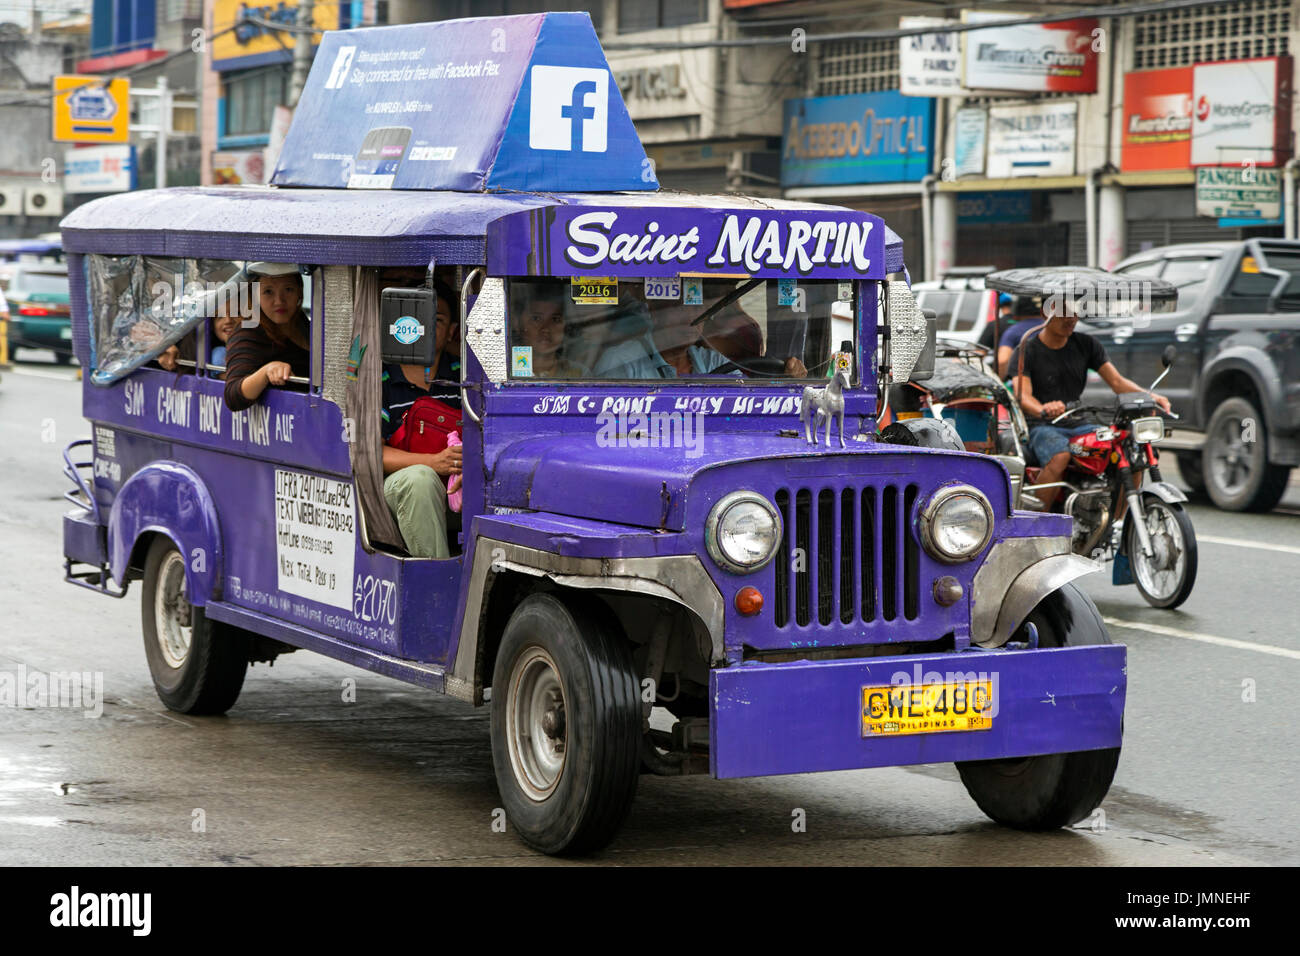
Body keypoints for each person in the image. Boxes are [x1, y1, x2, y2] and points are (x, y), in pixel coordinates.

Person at [1010, 301, 1170, 507]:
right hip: (1039, 426)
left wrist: (1150, 397)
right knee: (1060, 455)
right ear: (1045, 313)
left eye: (1075, 311)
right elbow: (1023, 396)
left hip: (1079, 424)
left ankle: (1118, 524)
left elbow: (1117, 382)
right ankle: (1036, 524)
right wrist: (1042, 410)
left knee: (1128, 449)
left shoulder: (1086, 344)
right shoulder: (1027, 350)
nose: (1071, 318)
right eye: (1064, 311)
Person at [381, 279, 462, 559]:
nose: (425, 327)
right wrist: (433, 463)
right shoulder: (382, 378)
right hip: (398, 492)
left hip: (459, 494)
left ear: (452, 331)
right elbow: (372, 453)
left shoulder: (464, 376)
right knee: (420, 479)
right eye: (416, 318)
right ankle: (438, 585)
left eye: (436, 319)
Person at [222, 262, 310, 411]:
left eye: (288, 289)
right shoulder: (248, 331)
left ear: (299, 292)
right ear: (255, 296)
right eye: (268, 292)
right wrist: (266, 371)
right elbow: (232, 397)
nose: (279, 301)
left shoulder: (302, 322)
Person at [510, 281, 588, 378]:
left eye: (555, 319)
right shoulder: (505, 372)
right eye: (536, 319)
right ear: (518, 324)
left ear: (565, 327)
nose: (545, 328)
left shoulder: (579, 374)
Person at [157, 302, 239, 372]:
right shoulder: (219, 354)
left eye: (236, 313)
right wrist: (163, 347)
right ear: (211, 325)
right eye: (219, 316)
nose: (228, 320)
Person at [996, 296, 1045, 379]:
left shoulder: (1014, 331)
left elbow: (1003, 361)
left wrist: (1000, 382)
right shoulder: (1051, 329)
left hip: (1022, 383)